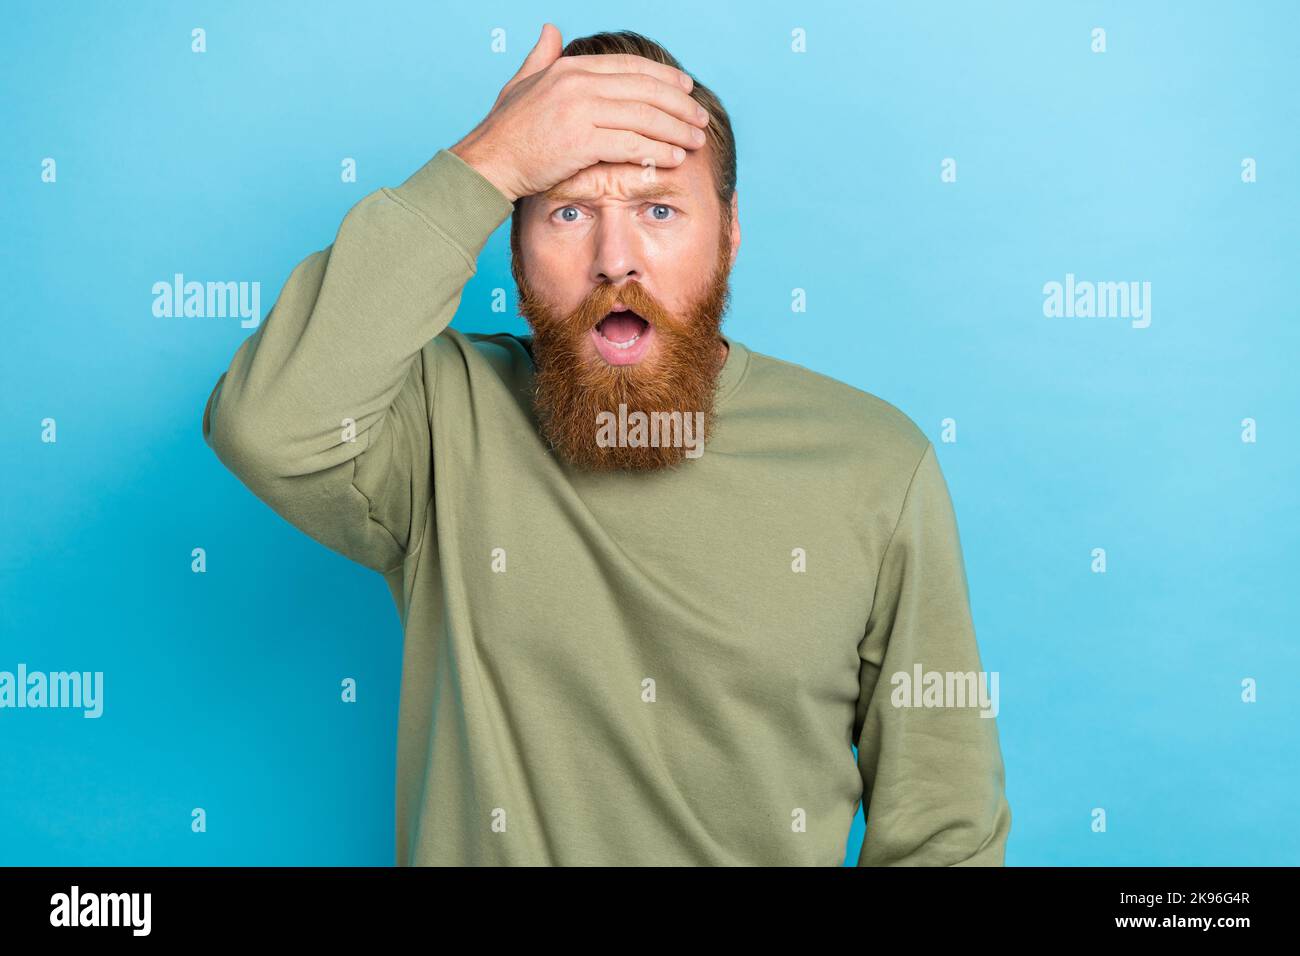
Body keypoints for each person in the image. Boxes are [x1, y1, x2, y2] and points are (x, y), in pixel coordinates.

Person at [202, 23, 1012, 866]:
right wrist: (486, 162)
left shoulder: (876, 464)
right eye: (568, 211)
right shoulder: (443, 420)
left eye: (659, 210)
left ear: (729, 235)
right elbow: (267, 426)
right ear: (512, 246)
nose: (614, 260)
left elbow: (944, 831)